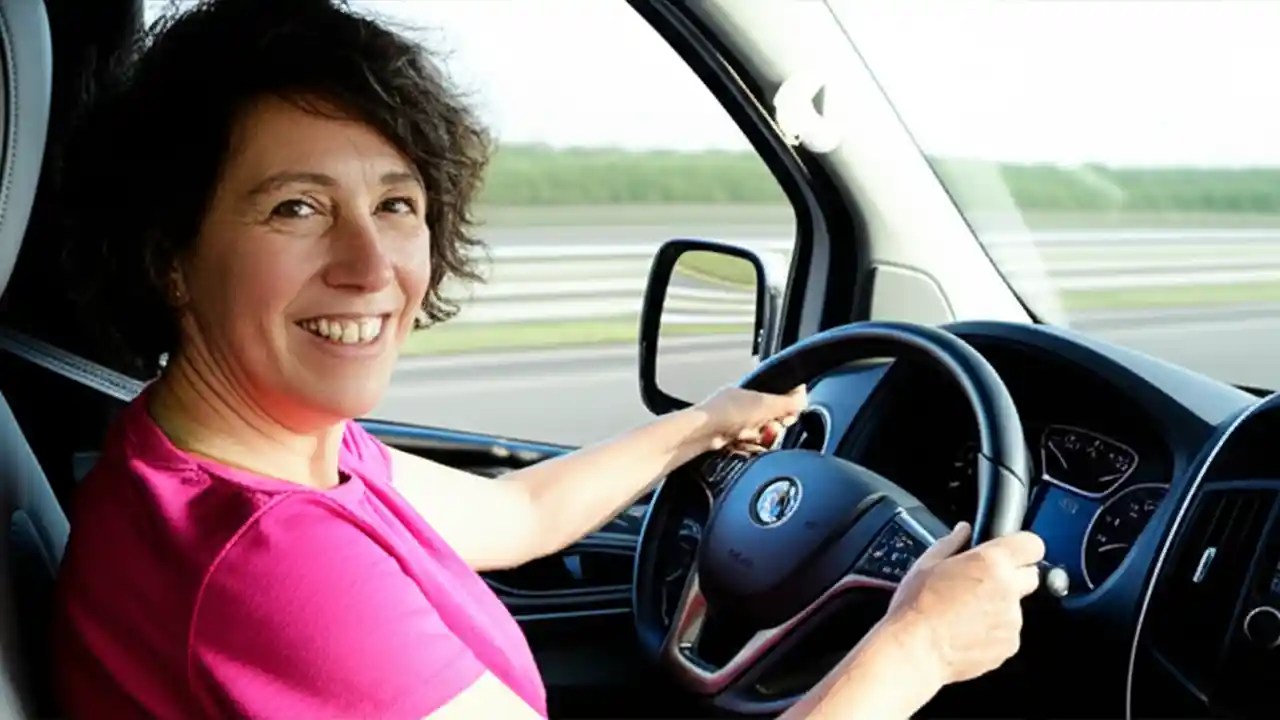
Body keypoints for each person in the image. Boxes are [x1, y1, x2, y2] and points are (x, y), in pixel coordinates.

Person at [50, 0, 1047, 718]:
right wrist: (916, 649)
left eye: (395, 204)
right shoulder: (270, 565)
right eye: (296, 208)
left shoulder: (257, 455)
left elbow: (516, 514)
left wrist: (697, 428)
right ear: (170, 257)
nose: (370, 266)